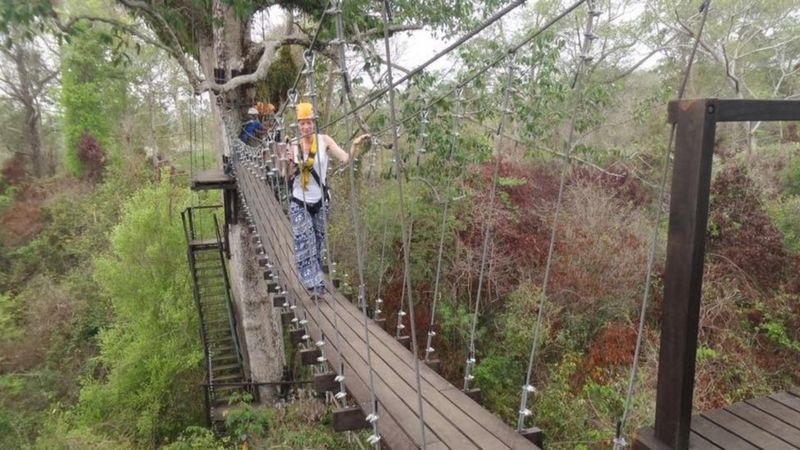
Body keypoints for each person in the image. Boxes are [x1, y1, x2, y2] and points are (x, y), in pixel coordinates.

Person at [280, 102, 369, 294]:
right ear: (298, 124)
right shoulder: (292, 146)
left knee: (319, 243)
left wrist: (354, 146)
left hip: (320, 202)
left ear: (314, 123)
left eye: (309, 122)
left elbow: (345, 159)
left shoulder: (324, 141)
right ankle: (314, 284)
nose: (306, 127)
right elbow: (286, 177)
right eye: (302, 123)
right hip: (299, 201)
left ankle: (316, 282)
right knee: (305, 241)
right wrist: (288, 164)